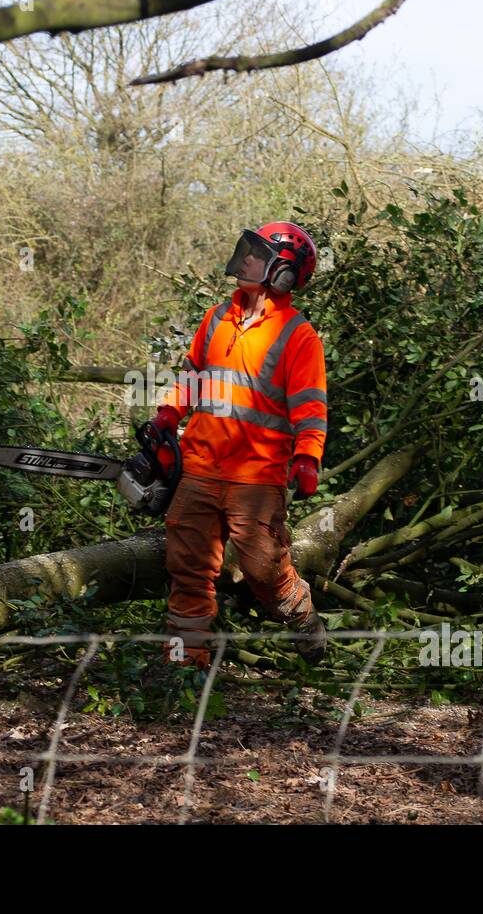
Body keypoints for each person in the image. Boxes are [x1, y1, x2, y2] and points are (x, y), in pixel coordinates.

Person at [149, 222, 328, 670]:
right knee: (188, 572)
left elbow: (310, 404)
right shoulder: (215, 319)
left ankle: (302, 617)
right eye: (247, 250)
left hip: (257, 477)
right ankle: (185, 666)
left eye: (257, 253)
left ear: (283, 273)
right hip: (200, 468)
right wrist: (170, 413)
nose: (245, 257)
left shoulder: (297, 335)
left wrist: (308, 456)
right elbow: (192, 376)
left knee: (264, 572)